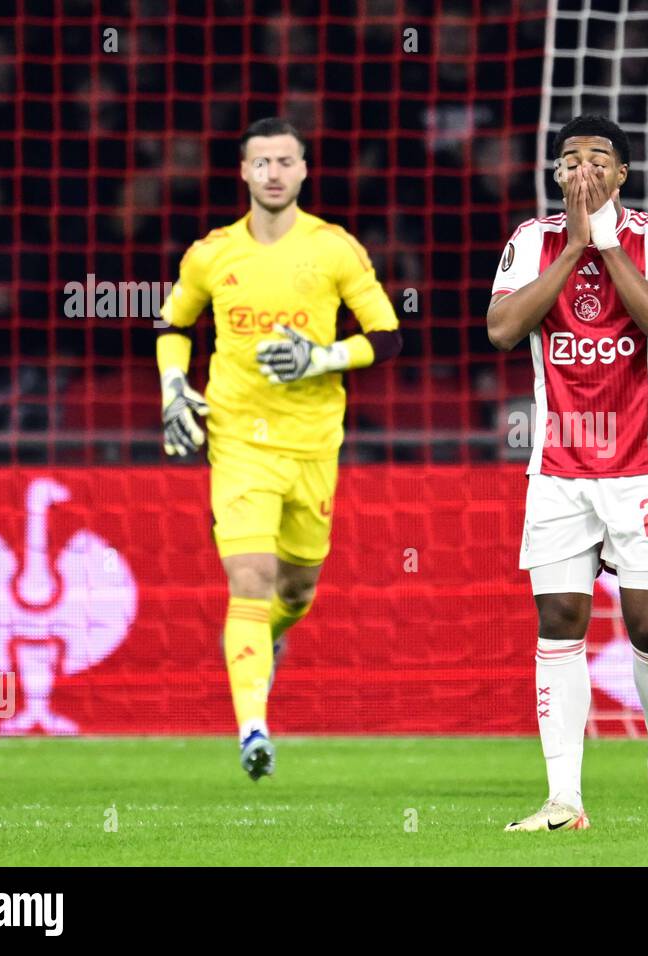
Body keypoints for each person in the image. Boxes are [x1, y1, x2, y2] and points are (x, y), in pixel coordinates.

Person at [156, 117, 402, 780]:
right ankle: (253, 728)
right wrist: (174, 387)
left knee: (296, 585)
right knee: (251, 580)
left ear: (302, 170)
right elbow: (173, 323)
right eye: (260, 161)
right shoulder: (211, 254)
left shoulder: (334, 249)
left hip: (314, 443)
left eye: (284, 161)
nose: (272, 172)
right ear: (243, 171)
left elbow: (386, 334)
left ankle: (270, 635)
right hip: (237, 441)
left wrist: (322, 357)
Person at [487, 115, 648, 830]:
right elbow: (502, 329)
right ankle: (563, 799)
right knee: (559, 622)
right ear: (556, 174)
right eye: (570, 158)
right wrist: (572, 245)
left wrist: (604, 246)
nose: (583, 169)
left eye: (598, 159)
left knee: (647, 629)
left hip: (641, 466)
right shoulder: (530, 239)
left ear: (622, 175)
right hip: (558, 467)